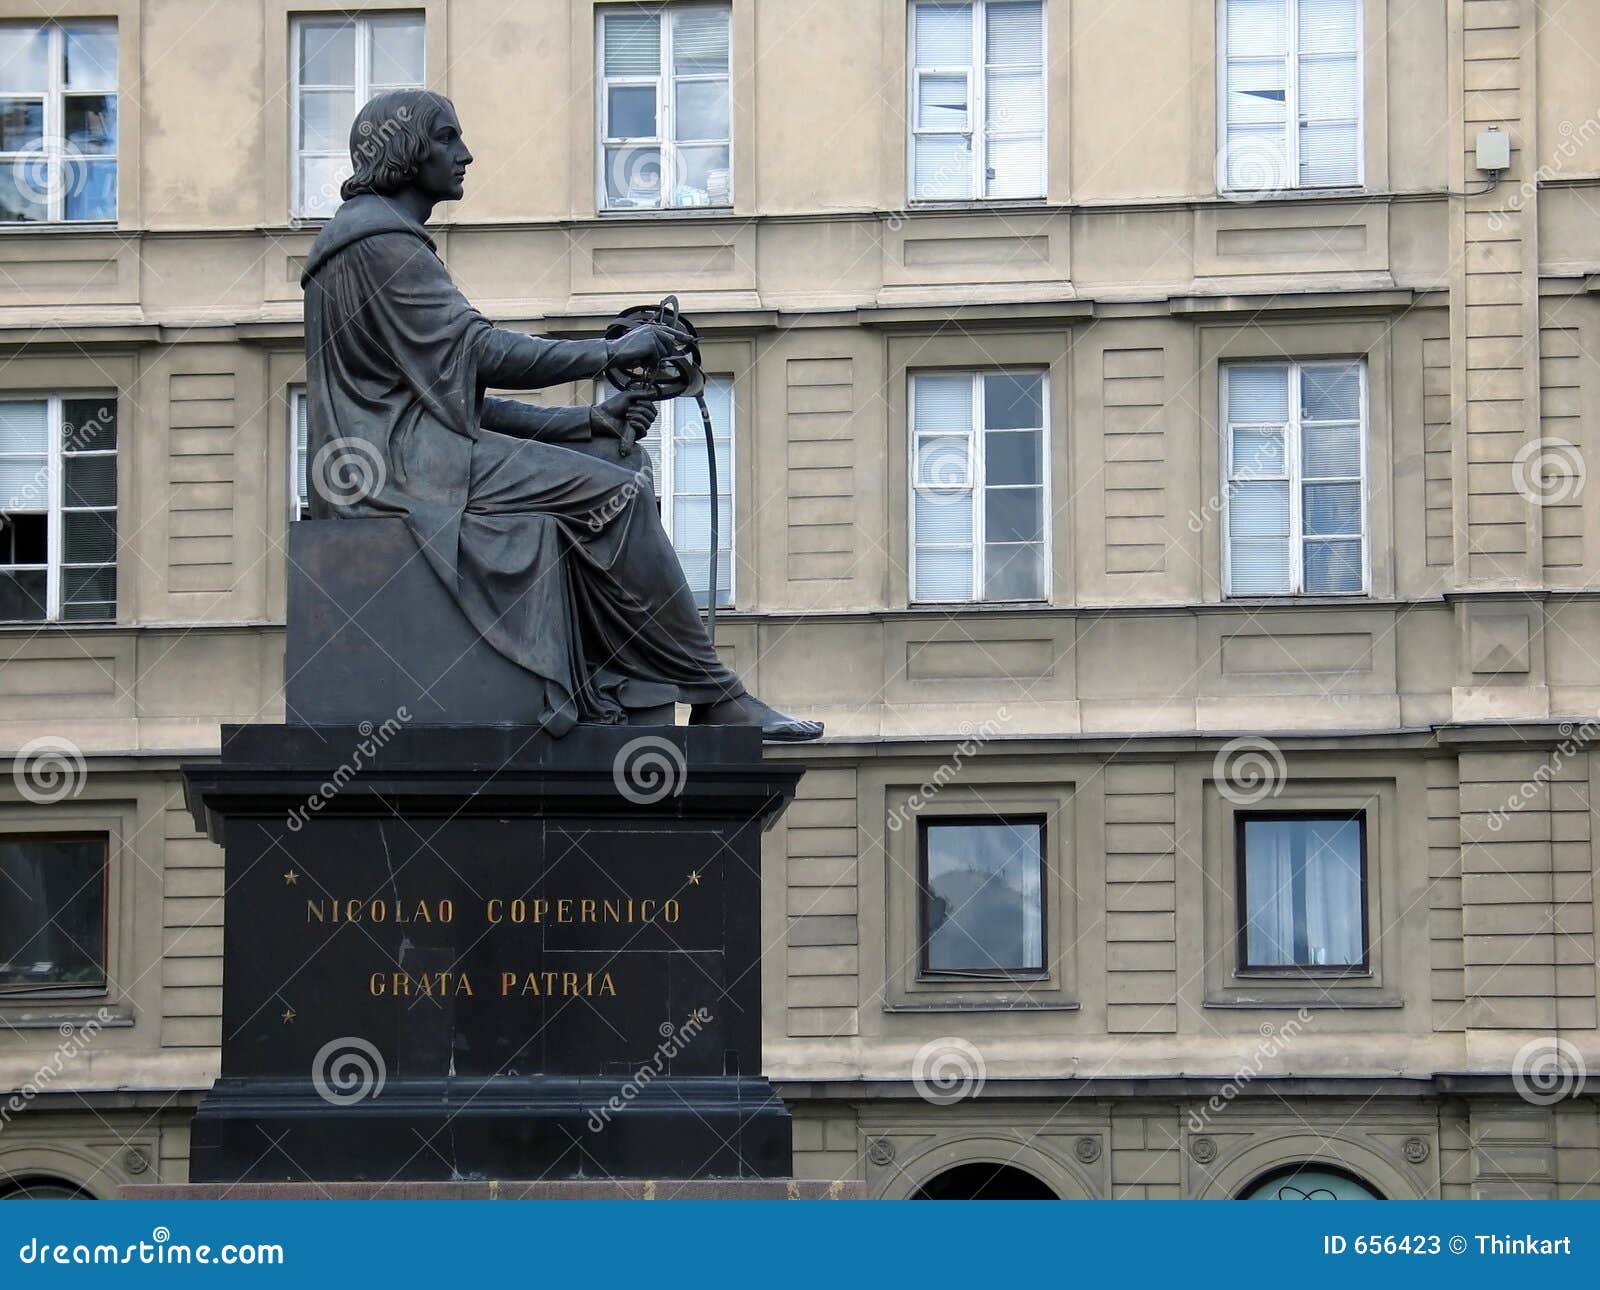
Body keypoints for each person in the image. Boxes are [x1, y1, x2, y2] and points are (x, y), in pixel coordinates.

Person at [300, 89, 820, 742]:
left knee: (612, 462)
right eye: (447, 137)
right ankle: (713, 693)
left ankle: (627, 683)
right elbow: (482, 353)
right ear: (406, 151)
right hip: (398, 473)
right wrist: (611, 351)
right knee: (617, 494)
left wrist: (589, 425)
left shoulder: (364, 243)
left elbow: (459, 407)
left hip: (400, 457)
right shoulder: (382, 247)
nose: (465, 154)